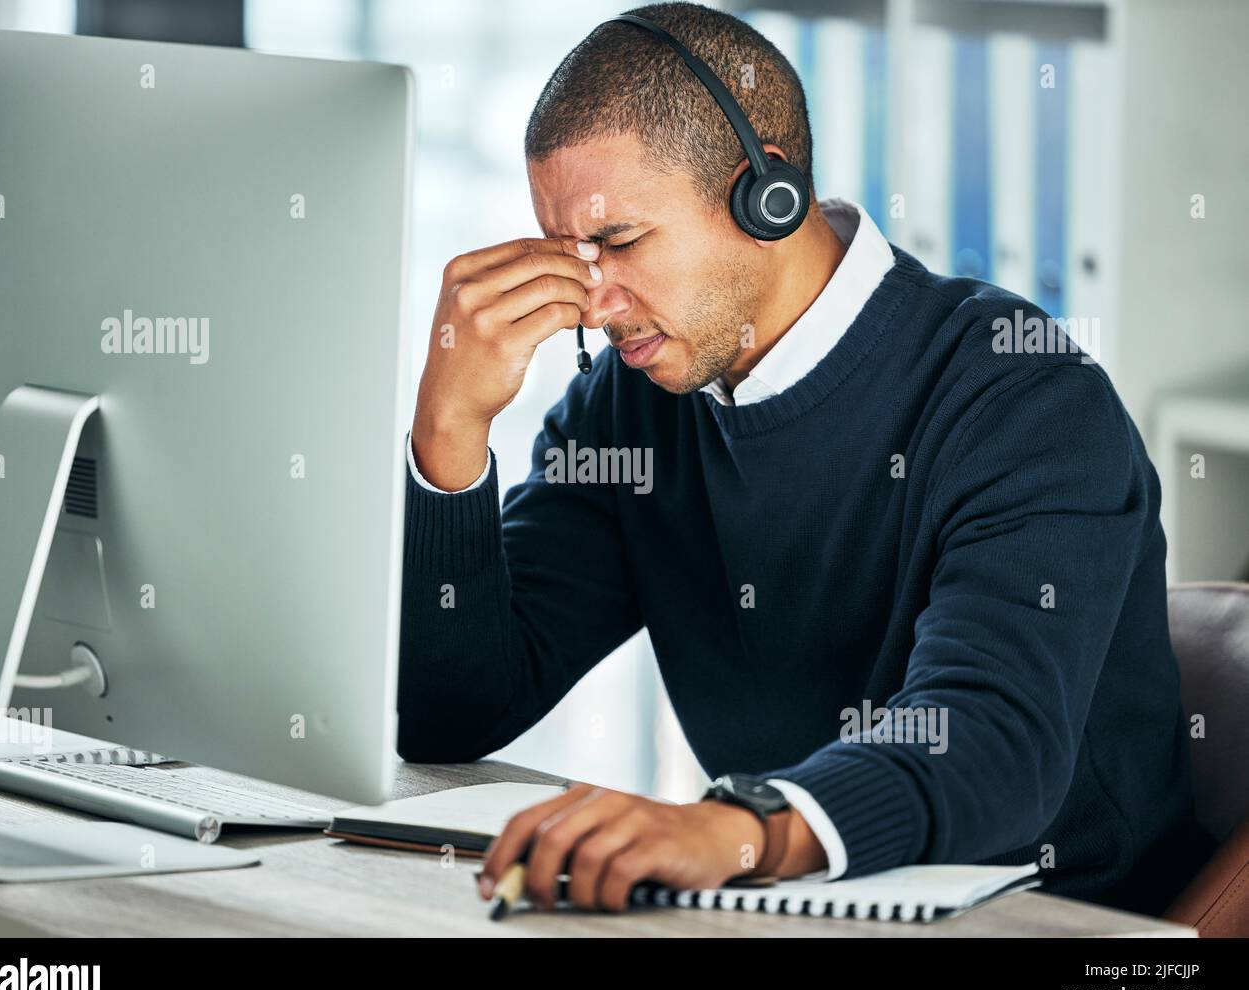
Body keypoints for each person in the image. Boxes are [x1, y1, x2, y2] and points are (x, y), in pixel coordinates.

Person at [398, 2, 1211, 915]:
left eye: (618, 242)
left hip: (1063, 923)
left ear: (766, 196)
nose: (594, 300)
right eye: (568, 253)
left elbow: (992, 741)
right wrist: (449, 436)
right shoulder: (635, 406)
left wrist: (738, 827)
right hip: (795, 901)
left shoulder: (1024, 396)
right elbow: (453, 714)